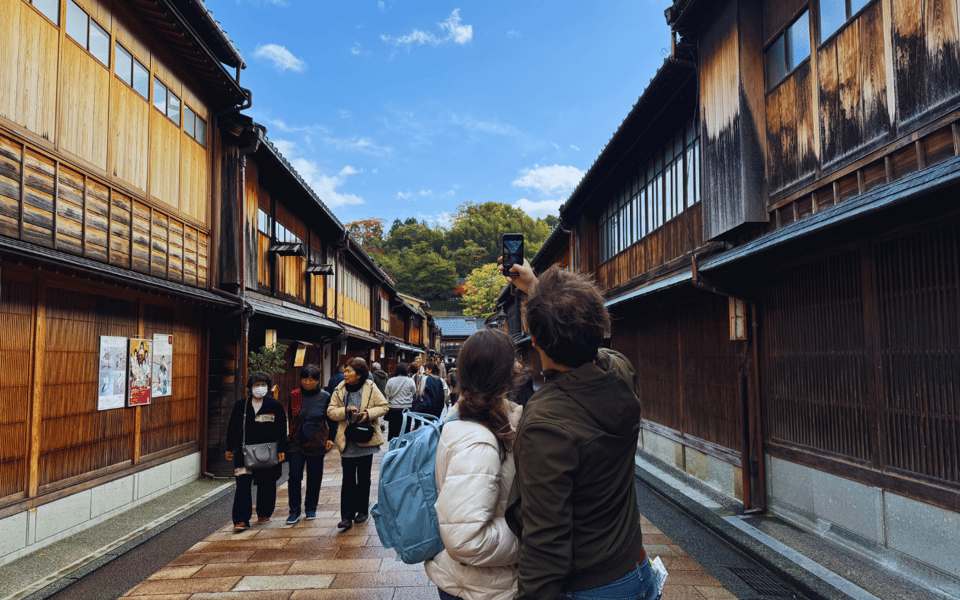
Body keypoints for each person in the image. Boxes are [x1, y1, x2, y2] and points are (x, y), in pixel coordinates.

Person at [503, 260, 654, 600]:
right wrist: (538, 288)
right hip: (633, 565)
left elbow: (546, 541)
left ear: (536, 340)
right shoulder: (619, 371)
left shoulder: (546, 422)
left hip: (590, 586)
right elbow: (587, 338)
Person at [424, 328, 523, 600]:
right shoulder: (477, 443)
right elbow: (465, 540)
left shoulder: (471, 416)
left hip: (479, 582)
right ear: (504, 376)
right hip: (480, 587)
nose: (518, 365)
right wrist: (531, 536)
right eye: (513, 360)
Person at [327, 357, 389, 530]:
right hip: (346, 439)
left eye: (349, 371)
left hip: (365, 438)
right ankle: (346, 516)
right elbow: (330, 411)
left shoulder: (370, 387)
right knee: (348, 478)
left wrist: (367, 414)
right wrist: (345, 411)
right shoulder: (339, 389)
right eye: (344, 371)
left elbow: (384, 405)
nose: (345, 374)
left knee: (363, 477)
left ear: (359, 374)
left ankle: (362, 510)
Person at [225, 372, 287, 533]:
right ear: (250, 388)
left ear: (269, 387)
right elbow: (232, 427)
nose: (260, 388)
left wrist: (282, 449)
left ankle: (264, 513)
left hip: (268, 451)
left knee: (267, 482)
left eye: (263, 385)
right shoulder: (241, 405)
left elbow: (281, 429)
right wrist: (228, 447)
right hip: (243, 452)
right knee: (243, 484)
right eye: (256, 385)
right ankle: (240, 520)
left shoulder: (274, 405)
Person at [285, 364, 335, 525]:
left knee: (314, 477)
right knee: (294, 477)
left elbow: (331, 420)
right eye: (305, 379)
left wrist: (331, 438)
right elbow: (292, 417)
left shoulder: (325, 396)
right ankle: (294, 511)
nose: (307, 382)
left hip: (317, 441)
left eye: (312, 380)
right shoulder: (295, 395)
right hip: (296, 442)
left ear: (318, 381)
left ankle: (311, 508)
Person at [384, 362, 416, 439]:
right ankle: (404, 448)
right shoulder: (410, 381)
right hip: (406, 409)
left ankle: (394, 447)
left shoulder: (390, 380)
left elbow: (386, 393)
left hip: (394, 409)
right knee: (405, 431)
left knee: (393, 431)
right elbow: (414, 391)